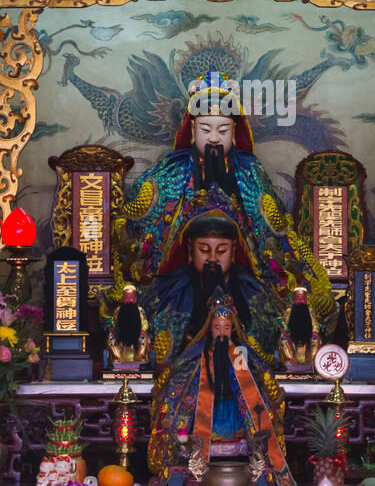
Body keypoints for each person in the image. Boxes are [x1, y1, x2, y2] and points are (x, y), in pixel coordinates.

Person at [114, 72, 333, 325]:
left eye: (223, 130)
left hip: (239, 260)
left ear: (235, 132)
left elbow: (270, 228)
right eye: (206, 129)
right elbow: (141, 220)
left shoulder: (249, 169)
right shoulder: (171, 167)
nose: (214, 137)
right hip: (183, 260)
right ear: (193, 131)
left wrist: (228, 197)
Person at [147, 293, 296, 486]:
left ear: (232, 328)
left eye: (226, 327)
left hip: (234, 411)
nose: (222, 332)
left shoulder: (240, 354)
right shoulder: (197, 354)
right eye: (217, 327)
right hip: (206, 411)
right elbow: (177, 374)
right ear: (210, 328)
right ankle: (192, 461)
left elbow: (253, 386)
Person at [148, 207, 275, 367]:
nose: (213, 258)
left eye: (222, 250)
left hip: (239, 370)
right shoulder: (170, 291)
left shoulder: (252, 291)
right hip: (189, 372)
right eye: (204, 250)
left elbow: (266, 339)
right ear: (190, 249)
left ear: (233, 250)